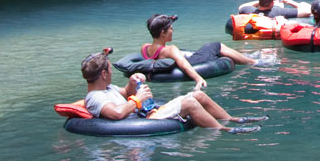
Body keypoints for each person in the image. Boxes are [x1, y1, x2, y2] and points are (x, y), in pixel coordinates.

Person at [79, 49, 265, 133]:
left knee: (198, 95)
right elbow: (117, 113)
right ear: (103, 74)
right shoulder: (94, 97)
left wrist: (133, 83)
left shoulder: (108, 88)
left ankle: (230, 118)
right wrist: (138, 99)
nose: (111, 72)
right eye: (110, 70)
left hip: (148, 114)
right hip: (145, 120)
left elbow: (125, 93)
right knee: (189, 102)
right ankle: (225, 130)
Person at [142, 14, 257, 91]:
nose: (173, 31)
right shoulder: (170, 50)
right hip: (194, 63)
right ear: (163, 33)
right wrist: (198, 79)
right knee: (216, 46)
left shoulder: (145, 48)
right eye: (171, 28)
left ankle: (245, 58)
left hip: (170, 67)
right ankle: (252, 62)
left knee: (209, 48)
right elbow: (184, 65)